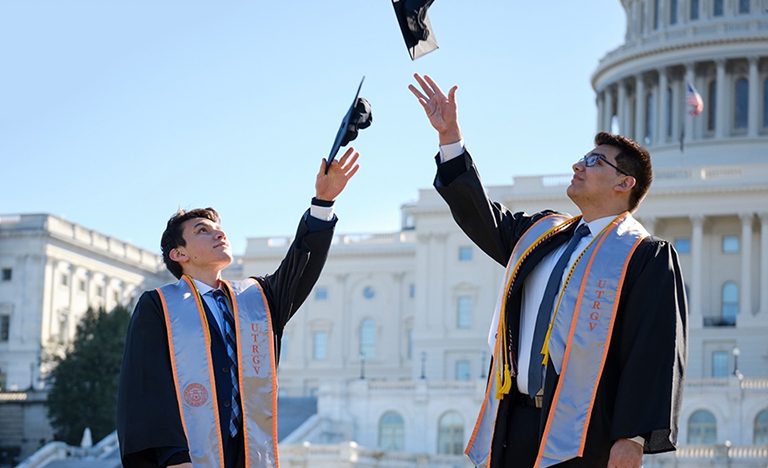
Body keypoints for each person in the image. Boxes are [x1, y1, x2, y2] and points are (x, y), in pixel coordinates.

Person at [409, 74, 687, 468]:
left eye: (594, 161)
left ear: (625, 183)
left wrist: (632, 439)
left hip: (585, 435)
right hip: (514, 422)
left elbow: (651, 352)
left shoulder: (644, 256)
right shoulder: (543, 235)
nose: (578, 165)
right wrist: (450, 138)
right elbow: (483, 218)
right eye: (583, 157)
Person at [116, 149, 360, 468]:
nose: (219, 232)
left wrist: (323, 203)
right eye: (202, 230)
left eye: (219, 228)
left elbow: (301, 266)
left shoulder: (255, 298)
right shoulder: (159, 305)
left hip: (247, 455)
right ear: (179, 254)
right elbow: (148, 385)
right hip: (189, 457)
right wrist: (174, 457)